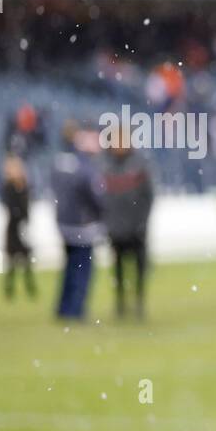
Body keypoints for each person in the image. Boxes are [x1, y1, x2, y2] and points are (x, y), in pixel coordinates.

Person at [52, 130, 104, 321]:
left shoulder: (61, 164)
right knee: (82, 270)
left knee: (69, 268)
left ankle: (64, 308)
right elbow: (96, 197)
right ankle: (76, 310)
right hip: (82, 227)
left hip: (64, 224)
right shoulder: (86, 169)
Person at [101, 134, 154, 319]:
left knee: (140, 268)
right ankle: (121, 304)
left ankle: (139, 302)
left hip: (136, 228)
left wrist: (142, 222)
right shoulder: (107, 165)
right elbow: (102, 199)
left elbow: (148, 197)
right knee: (118, 269)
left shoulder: (139, 165)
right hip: (116, 228)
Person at [1, 155, 37, 300]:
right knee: (12, 263)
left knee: (26, 261)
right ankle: (9, 290)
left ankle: (30, 288)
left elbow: (25, 208)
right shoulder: (8, 188)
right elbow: (12, 207)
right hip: (14, 228)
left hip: (22, 227)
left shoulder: (24, 187)